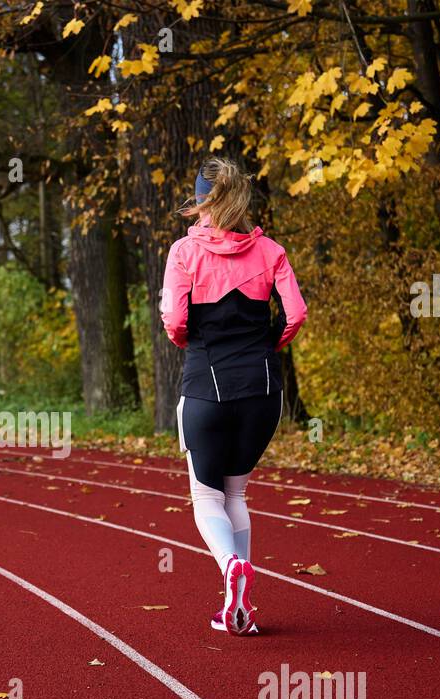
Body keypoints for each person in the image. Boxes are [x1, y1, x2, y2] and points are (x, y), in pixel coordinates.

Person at [160, 157, 307, 635]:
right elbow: (295, 315)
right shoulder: (272, 251)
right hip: (263, 389)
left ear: (202, 200)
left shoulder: (183, 252)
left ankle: (229, 566)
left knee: (206, 497)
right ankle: (237, 606)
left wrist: (193, 345)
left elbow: (175, 322)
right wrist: (268, 347)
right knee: (236, 491)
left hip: (207, 386)